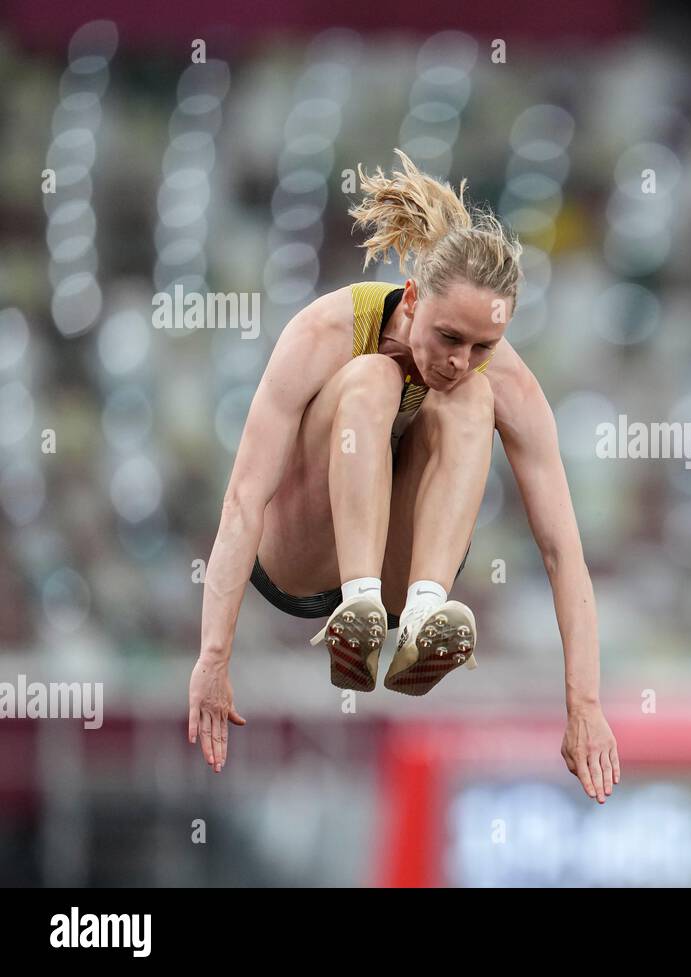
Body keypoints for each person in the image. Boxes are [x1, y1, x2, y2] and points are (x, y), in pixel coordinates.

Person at [187, 149, 619, 803]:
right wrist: (214, 653)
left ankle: (419, 612)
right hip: (298, 550)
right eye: (448, 337)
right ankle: (354, 605)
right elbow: (245, 499)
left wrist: (584, 702)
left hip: (400, 555)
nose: (459, 359)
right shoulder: (327, 330)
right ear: (412, 299)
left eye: (483, 346)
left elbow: (564, 553)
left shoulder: (501, 381)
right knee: (372, 376)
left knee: (475, 399)